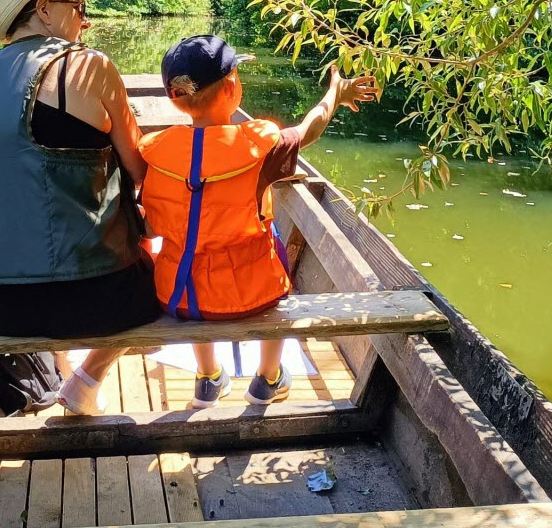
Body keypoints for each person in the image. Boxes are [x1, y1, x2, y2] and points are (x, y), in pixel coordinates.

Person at [0, 0, 159, 416]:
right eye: (78, 6)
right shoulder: (88, 67)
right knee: (165, 271)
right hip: (94, 303)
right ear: (43, 7)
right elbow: (143, 175)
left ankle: (56, 361)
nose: (86, 21)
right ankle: (86, 378)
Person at [140, 35, 377, 407]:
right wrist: (335, 94)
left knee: (195, 244)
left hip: (179, 294)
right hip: (252, 295)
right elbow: (310, 128)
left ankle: (208, 378)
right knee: (271, 237)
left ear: (176, 98)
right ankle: (267, 378)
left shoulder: (157, 151)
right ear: (233, 87)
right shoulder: (258, 146)